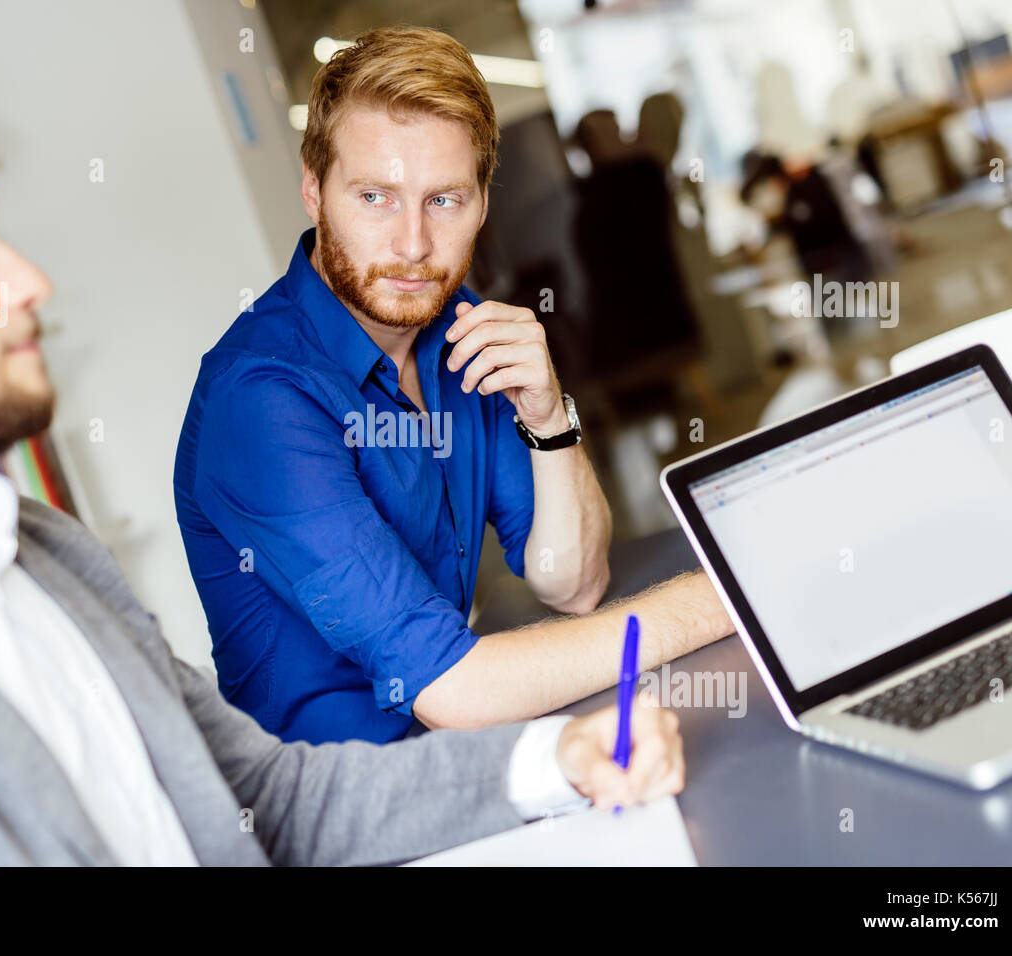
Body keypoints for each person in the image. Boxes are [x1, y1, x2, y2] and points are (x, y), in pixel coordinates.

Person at [0, 58, 685, 866]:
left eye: (444, 199)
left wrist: (545, 762)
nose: (30, 282)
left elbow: (263, 799)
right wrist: (722, 591)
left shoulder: (42, 550)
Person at [174, 27, 733, 745]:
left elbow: (574, 584)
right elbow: (454, 690)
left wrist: (548, 415)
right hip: (349, 817)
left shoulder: (464, 330)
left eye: (444, 200)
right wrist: (723, 591)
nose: (412, 245)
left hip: (462, 759)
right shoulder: (257, 399)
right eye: (375, 196)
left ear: (481, 204)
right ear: (314, 193)